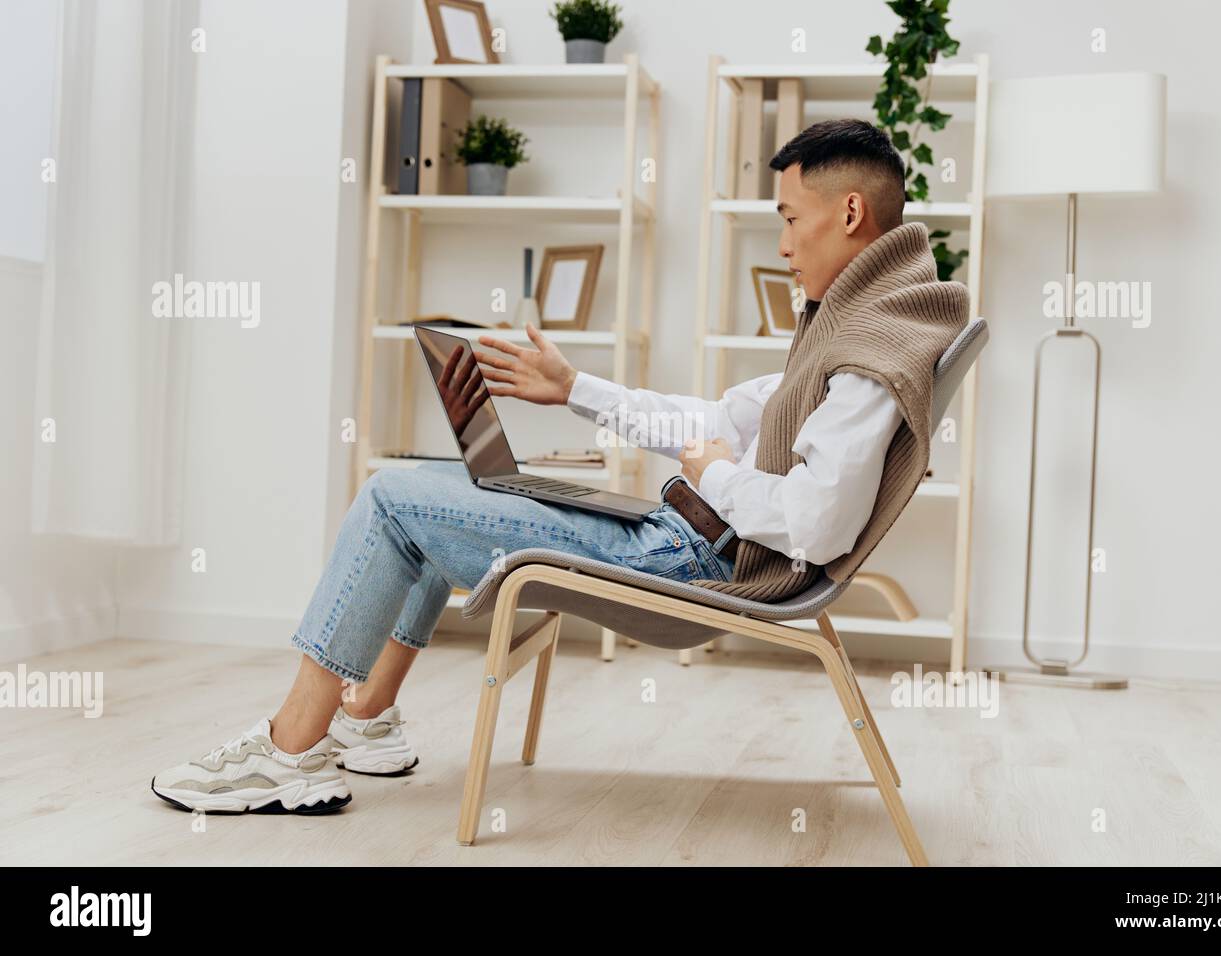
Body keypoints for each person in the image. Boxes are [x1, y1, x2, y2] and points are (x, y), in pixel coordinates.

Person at [151, 118, 965, 815]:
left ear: (850, 211)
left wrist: (715, 474)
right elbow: (716, 420)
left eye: (790, 220)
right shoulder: (860, 318)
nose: (783, 246)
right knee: (445, 485)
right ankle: (366, 719)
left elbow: (820, 524)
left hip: (686, 562)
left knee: (391, 495)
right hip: (675, 534)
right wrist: (573, 389)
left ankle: (290, 752)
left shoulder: (866, 355)